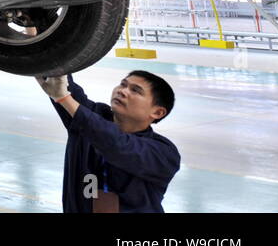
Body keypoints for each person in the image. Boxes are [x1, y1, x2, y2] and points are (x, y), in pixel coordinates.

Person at [37, 70, 179, 213]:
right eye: (122, 84)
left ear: (157, 112)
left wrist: (65, 99)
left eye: (135, 90)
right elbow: (58, 79)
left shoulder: (164, 153)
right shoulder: (90, 115)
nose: (122, 91)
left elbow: (118, 145)